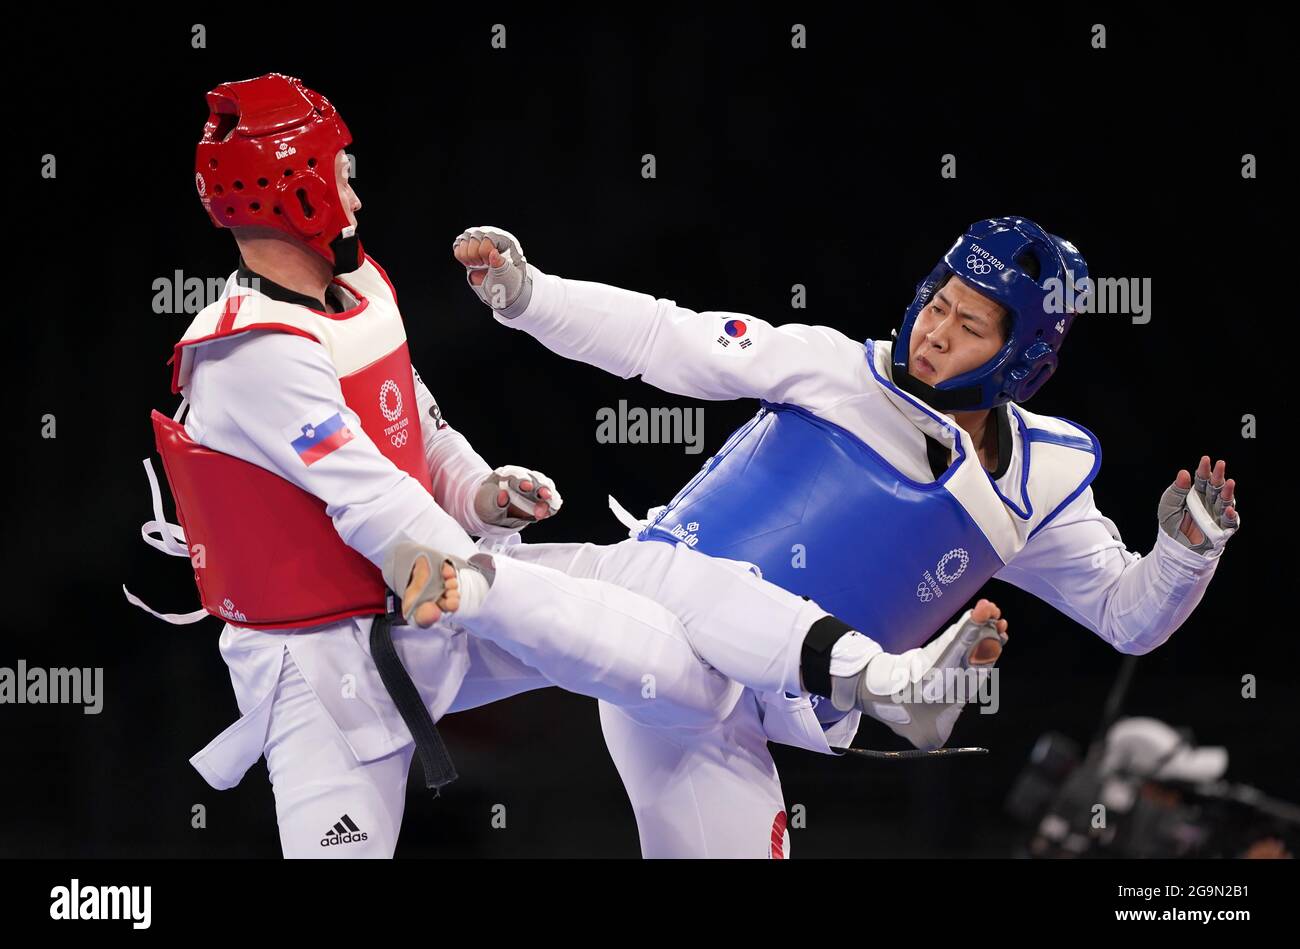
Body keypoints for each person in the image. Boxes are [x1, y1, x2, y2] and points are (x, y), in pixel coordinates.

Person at [126, 72, 1007, 859]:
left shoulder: (360, 293)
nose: (355, 188)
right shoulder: (252, 355)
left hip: (433, 606)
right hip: (328, 669)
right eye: (341, 170)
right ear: (299, 188)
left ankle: (889, 682)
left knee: (680, 619)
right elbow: (372, 500)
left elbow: (414, 427)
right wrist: (470, 571)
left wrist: (478, 488)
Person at [444, 219, 1241, 857]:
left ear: (1024, 357)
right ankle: (892, 684)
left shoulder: (1041, 482)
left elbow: (1128, 619)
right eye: (937, 302)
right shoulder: (831, 369)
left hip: (744, 709)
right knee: (475, 611)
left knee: (478, 605)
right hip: (652, 622)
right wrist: (529, 295)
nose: (933, 332)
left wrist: (1185, 552)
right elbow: (662, 337)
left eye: (967, 325)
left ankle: (891, 685)